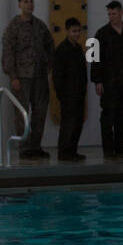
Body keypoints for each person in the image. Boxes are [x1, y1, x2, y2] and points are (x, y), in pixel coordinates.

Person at [1, 0, 54, 159]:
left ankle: (36, 146)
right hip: (22, 77)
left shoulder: (39, 25)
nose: (29, 4)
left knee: (40, 112)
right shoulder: (14, 26)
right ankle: (25, 147)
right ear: (19, 4)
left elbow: (50, 45)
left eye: (31, 1)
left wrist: (50, 65)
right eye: (25, 1)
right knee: (22, 113)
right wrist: (13, 76)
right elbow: (8, 52)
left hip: (39, 76)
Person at [92, 0, 123, 160]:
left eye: (114, 13)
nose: (111, 17)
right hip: (109, 82)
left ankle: (121, 147)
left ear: (121, 13)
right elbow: (95, 58)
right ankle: (108, 150)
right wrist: (97, 81)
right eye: (109, 14)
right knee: (108, 116)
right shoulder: (101, 33)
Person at [52, 17, 88, 162]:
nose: (76, 34)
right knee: (68, 124)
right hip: (67, 95)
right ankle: (64, 152)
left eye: (78, 31)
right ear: (67, 31)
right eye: (74, 31)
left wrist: (84, 89)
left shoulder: (78, 49)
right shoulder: (62, 50)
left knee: (78, 124)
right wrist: (61, 94)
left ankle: (73, 151)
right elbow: (57, 75)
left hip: (79, 93)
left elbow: (83, 72)